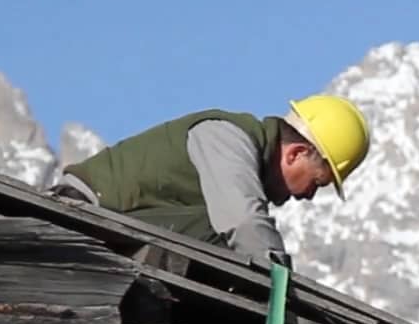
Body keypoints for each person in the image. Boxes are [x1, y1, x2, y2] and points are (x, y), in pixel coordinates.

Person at [49, 96, 371, 268]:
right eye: (317, 182)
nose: (309, 197)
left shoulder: (240, 155)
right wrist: (282, 289)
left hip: (112, 221)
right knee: (231, 235)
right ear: (295, 154)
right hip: (82, 213)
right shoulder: (226, 136)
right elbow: (243, 222)